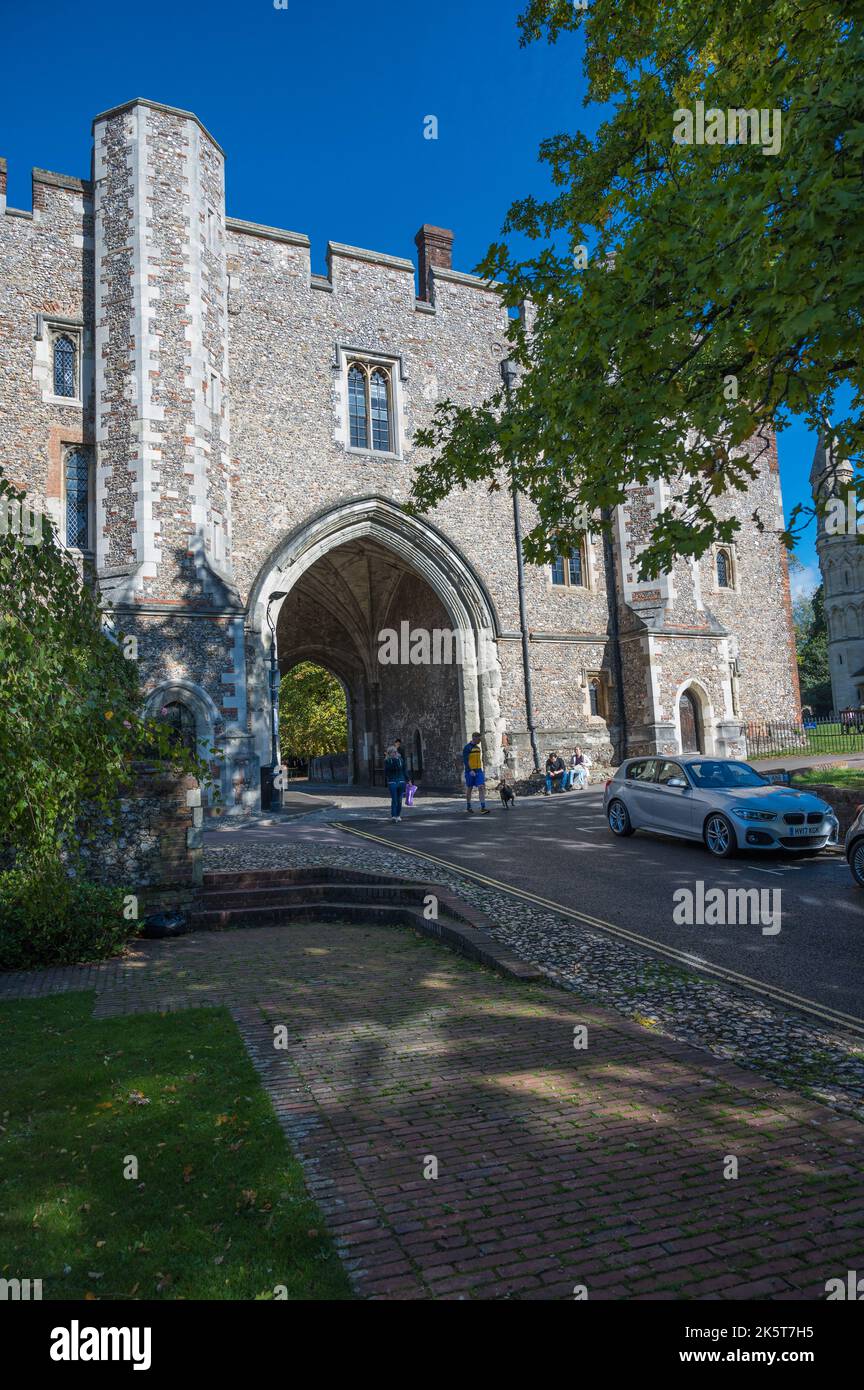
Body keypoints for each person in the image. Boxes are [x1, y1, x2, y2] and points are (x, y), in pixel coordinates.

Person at [462, 731, 490, 814]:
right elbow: (465, 760)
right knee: (469, 788)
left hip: (478, 770)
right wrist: (470, 770)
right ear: (474, 738)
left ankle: (483, 807)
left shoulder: (478, 748)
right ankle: (468, 806)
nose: (480, 741)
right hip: (470, 771)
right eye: (479, 739)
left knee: (481, 787)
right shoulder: (467, 748)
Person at [384, 743, 406, 822]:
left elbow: (404, 770)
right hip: (392, 782)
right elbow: (388, 771)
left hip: (401, 781)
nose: (395, 753)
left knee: (400, 800)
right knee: (394, 799)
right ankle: (393, 816)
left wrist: (408, 780)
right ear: (389, 753)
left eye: (395, 751)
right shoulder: (388, 761)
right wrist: (394, 761)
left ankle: (398, 815)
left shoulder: (400, 760)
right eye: (393, 752)